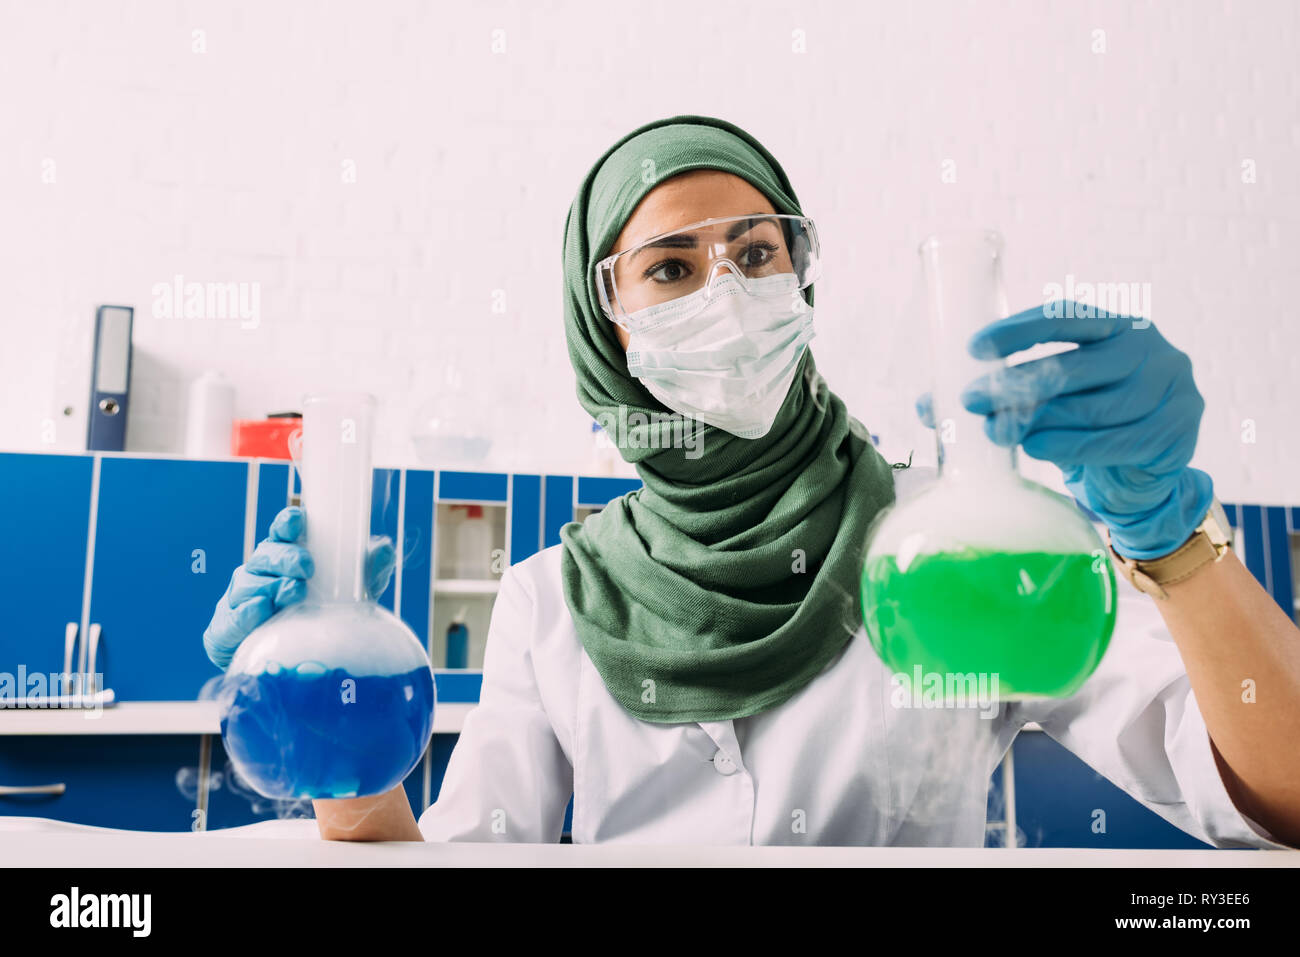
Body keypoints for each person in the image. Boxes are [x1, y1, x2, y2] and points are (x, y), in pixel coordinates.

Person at [203, 116, 1300, 847]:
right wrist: (332, 725)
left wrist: (1171, 540)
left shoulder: (947, 549)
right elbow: (466, 866)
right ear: (609, 328)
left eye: (758, 252)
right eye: (672, 268)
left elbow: (1276, 797)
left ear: (799, 272)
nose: (726, 293)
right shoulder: (551, 600)